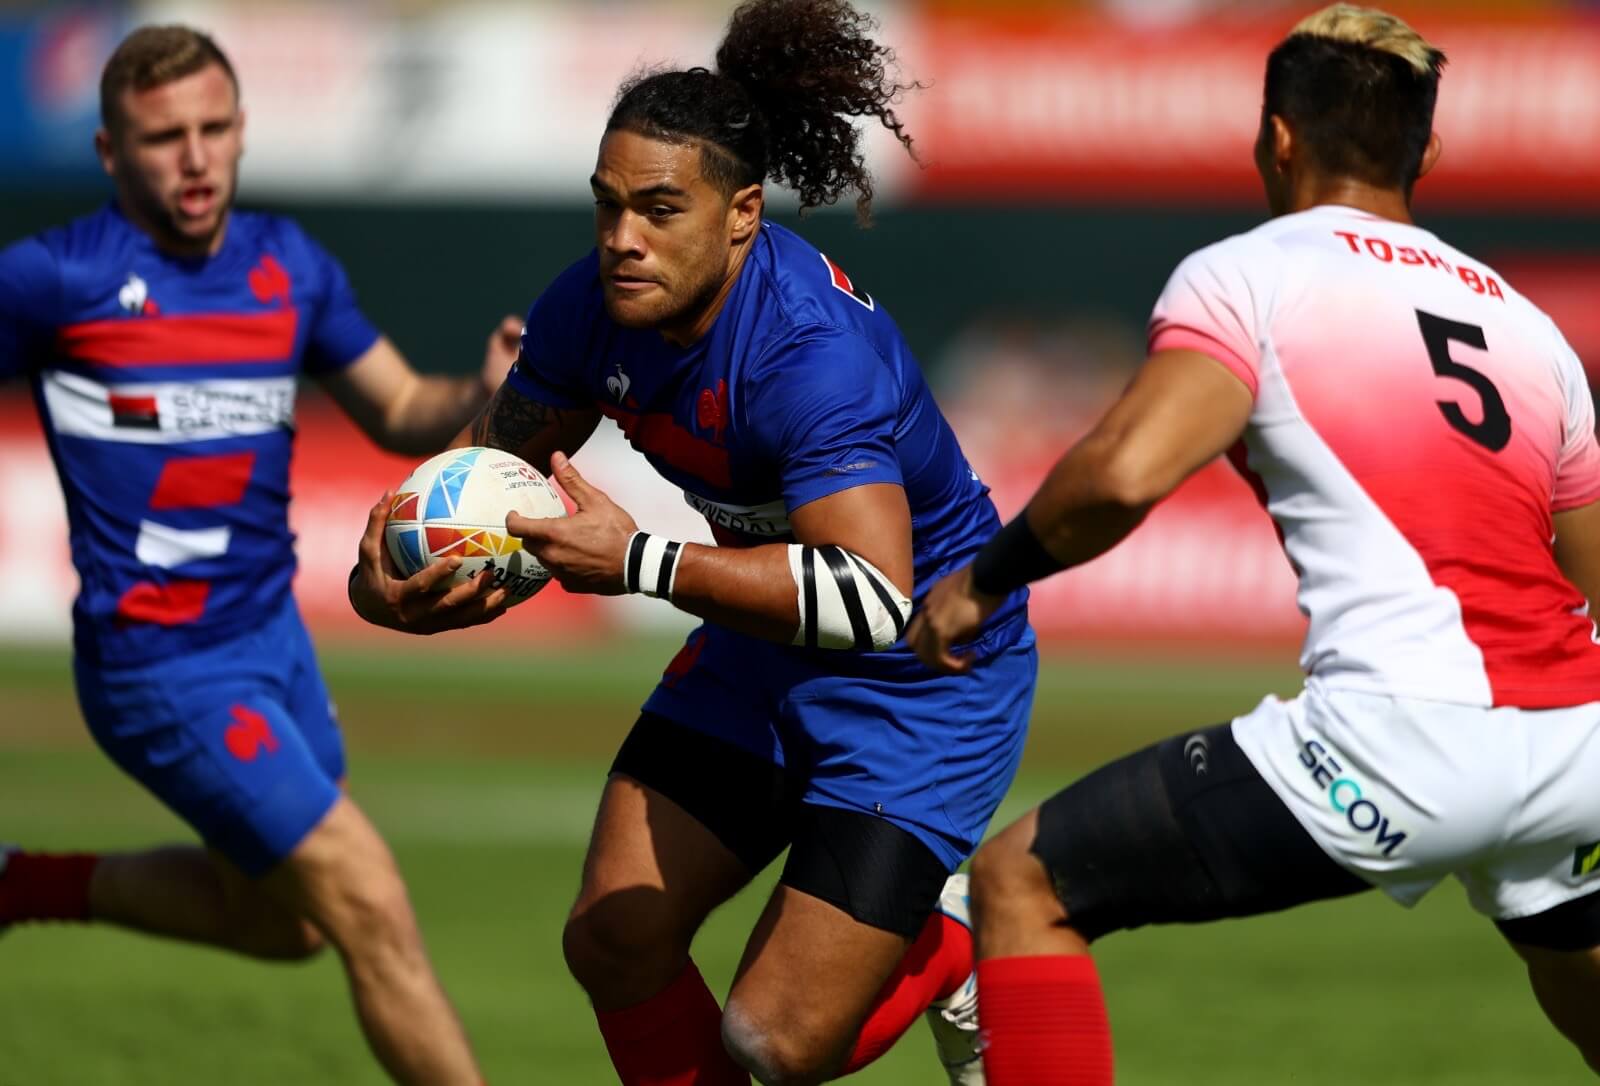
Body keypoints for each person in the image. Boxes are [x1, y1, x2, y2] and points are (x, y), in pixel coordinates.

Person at [908, 4, 1600, 1082]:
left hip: (1400, 739)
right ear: (1429, 149)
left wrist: (982, 581)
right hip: (1574, 744)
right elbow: (1587, 573)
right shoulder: (1526, 327)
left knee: (1021, 884)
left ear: (1275, 136)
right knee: (1571, 965)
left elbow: (1127, 471)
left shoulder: (1251, 272)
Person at [350, 1, 1036, 1082]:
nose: (623, 239)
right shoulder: (588, 308)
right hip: (758, 642)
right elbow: (483, 478)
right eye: (608, 207)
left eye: (659, 209)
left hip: (922, 673)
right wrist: (388, 576)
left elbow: (868, 596)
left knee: (773, 1042)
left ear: (741, 214)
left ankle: (949, 937)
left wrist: (635, 561)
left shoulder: (812, 356)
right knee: (613, 942)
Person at [0, 25, 518, 1085]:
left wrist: (479, 394)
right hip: (158, 670)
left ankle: (18, 885)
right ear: (110, 152)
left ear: (241, 130)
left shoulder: (289, 265)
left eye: (211, 129)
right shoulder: (53, 278)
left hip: (274, 646)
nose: (193, 158)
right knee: (369, 897)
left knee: (289, 928)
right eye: (161, 138)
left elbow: (400, 407)